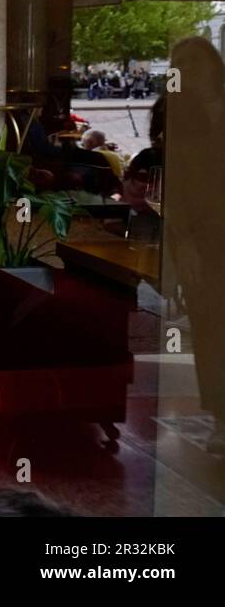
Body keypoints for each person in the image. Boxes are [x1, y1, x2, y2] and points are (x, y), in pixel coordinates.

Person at [163, 37, 225, 454]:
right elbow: (177, 190)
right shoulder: (181, 123)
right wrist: (183, 244)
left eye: (194, 61)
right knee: (210, 329)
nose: (188, 69)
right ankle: (221, 416)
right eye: (179, 63)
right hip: (204, 239)